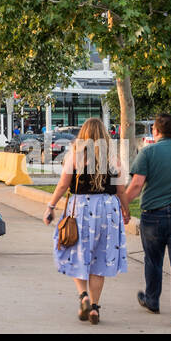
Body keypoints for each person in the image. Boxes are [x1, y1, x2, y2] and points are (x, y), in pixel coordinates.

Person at [42, 117, 129, 324]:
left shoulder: (75, 154)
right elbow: (120, 190)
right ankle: (95, 308)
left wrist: (50, 206)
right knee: (100, 257)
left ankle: (84, 297)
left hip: (81, 208)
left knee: (76, 251)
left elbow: (63, 184)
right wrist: (126, 210)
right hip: (108, 209)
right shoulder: (113, 158)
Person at [122, 113, 171, 328]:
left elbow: (137, 185)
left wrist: (123, 206)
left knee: (153, 260)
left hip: (154, 216)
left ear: (154, 130)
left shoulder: (148, 152)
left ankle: (152, 300)